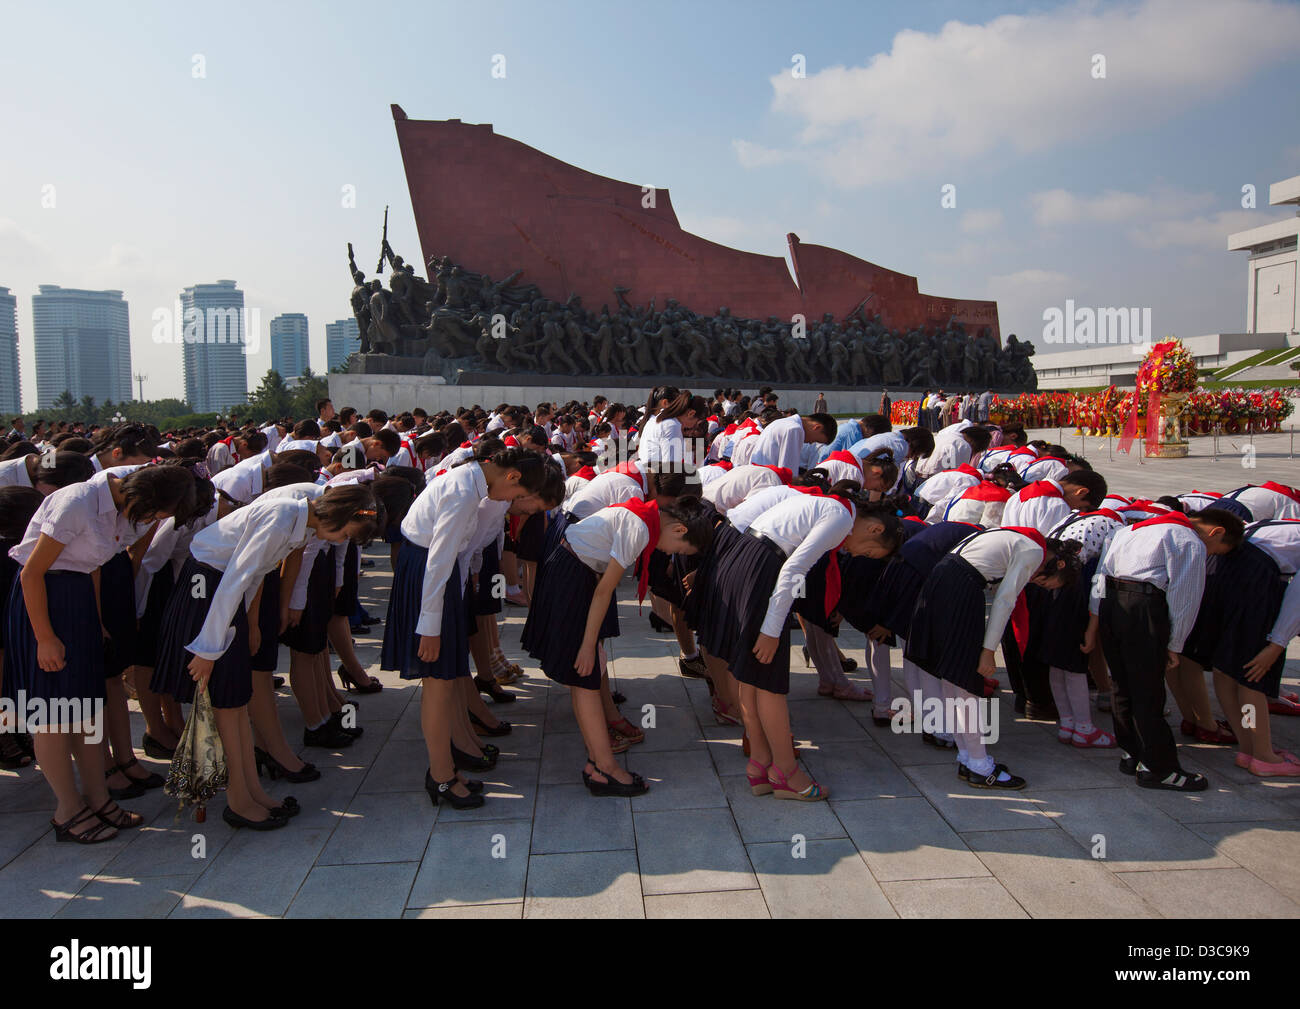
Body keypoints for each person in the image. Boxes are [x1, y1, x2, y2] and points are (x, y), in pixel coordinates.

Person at [5, 464, 199, 843]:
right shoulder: (77, 502)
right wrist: (45, 637)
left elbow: (92, 566)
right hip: (44, 601)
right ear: (145, 498)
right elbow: (32, 573)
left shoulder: (124, 510)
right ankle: (67, 809)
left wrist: (96, 622)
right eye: (158, 513)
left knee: (87, 709)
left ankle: (98, 797)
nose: (157, 521)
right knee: (54, 714)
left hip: (77, 601)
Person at [382, 447, 549, 809]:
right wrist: (430, 625)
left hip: (436, 579)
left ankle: (446, 769)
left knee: (445, 680)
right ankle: (441, 776)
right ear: (512, 477)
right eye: (518, 497)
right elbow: (439, 557)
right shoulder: (462, 491)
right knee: (439, 684)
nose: (512, 504)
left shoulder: (472, 482)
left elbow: (455, 553)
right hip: (429, 578)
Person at [522, 497, 713, 795]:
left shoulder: (647, 515)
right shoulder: (639, 528)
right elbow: (603, 593)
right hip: (572, 576)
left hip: (576, 569)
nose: (669, 554)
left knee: (587, 673)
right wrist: (586, 644)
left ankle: (596, 762)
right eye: (679, 550)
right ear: (678, 529)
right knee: (584, 675)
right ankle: (605, 769)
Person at [907, 527, 1081, 788]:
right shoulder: (1033, 550)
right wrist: (988, 651)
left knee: (953, 678)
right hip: (960, 588)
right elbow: (1004, 600)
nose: (1036, 583)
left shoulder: (1015, 537)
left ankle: (968, 757)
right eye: (1044, 583)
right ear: (1059, 564)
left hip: (942, 580)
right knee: (966, 682)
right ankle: (980, 764)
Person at [1083, 508, 1243, 792]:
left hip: (1112, 606)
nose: (1211, 554)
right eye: (1216, 550)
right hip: (1143, 609)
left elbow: (1100, 576)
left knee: (1122, 686)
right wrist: (1175, 644)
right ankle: (1159, 768)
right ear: (1216, 532)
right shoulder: (1188, 540)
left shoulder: (1132, 530)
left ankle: (1132, 753)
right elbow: (1185, 596)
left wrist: (1095, 620)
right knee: (1148, 691)